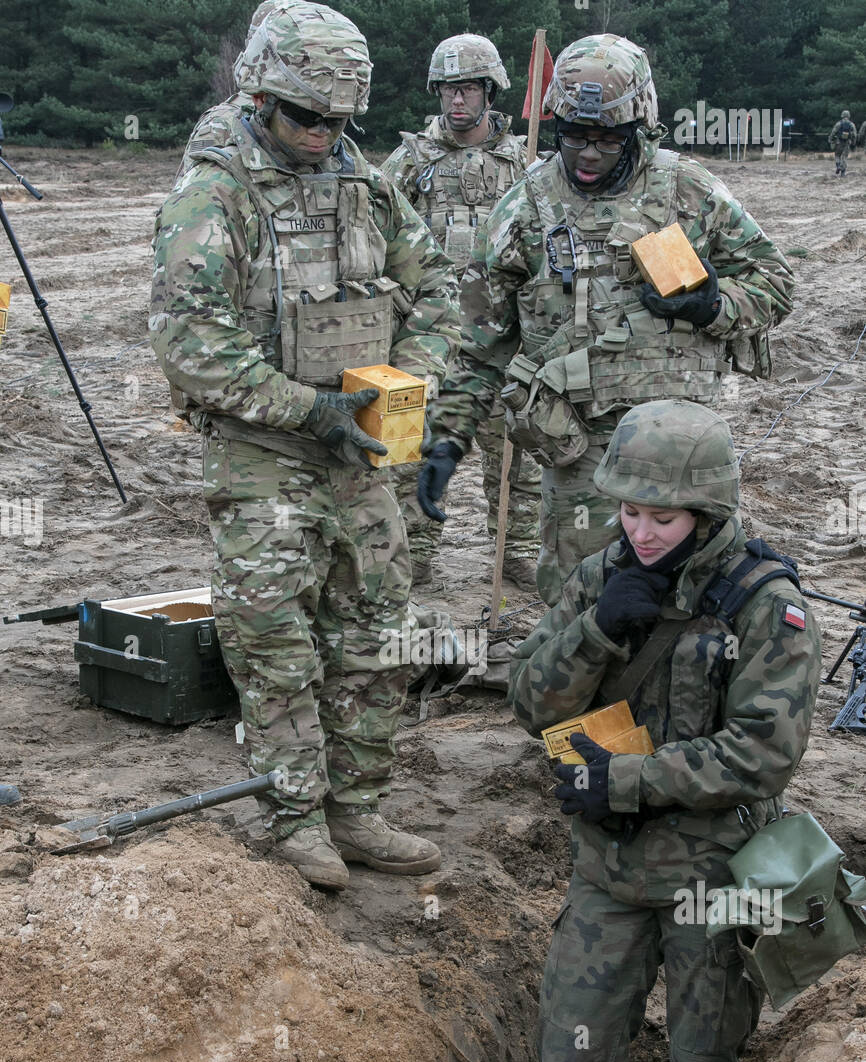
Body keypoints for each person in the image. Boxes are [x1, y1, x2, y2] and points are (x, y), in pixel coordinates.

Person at [506, 399, 822, 1062]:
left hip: (716, 879)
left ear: (709, 514)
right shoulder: (604, 572)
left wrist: (631, 782)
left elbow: (765, 752)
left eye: (664, 517)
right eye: (632, 512)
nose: (642, 532)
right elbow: (531, 700)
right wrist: (600, 628)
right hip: (607, 873)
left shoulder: (767, 602)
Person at [150, 3, 460, 891]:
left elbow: (435, 285)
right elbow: (192, 346)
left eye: (337, 121)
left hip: (358, 450)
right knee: (275, 640)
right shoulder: (213, 197)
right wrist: (308, 410)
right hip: (262, 456)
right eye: (304, 118)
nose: (322, 136)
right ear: (258, 95)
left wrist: (411, 381)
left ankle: (355, 806)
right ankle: (294, 817)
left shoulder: (364, 183)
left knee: (376, 628)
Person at [420, 33, 794, 607]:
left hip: (683, 451)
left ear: (638, 129)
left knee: (692, 602)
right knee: (583, 603)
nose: (588, 155)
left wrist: (713, 305)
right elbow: (482, 345)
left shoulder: (688, 191)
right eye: (574, 138)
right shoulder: (524, 210)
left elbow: (775, 283)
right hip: (580, 451)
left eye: (606, 140)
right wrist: (447, 439)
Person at [380, 34, 541, 590]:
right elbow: (374, 232)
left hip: (501, 334)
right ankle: (417, 548)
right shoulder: (409, 161)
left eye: (468, 89)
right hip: (429, 333)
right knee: (417, 450)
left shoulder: (523, 161)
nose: (456, 101)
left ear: (489, 92)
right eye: (449, 89)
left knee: (515, 450)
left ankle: (517, 548)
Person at [829, 109, 857, 176]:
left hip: (839, 142)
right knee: (844, 157)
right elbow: (854, 135)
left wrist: (830, 139)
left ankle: (838, 166)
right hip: (847, 143)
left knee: (837, 155)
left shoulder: (838, 123)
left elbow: (833, 132)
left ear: (842, 116)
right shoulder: (852, 124)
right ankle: (843, 173)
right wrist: (853, 143)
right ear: (849, 116)